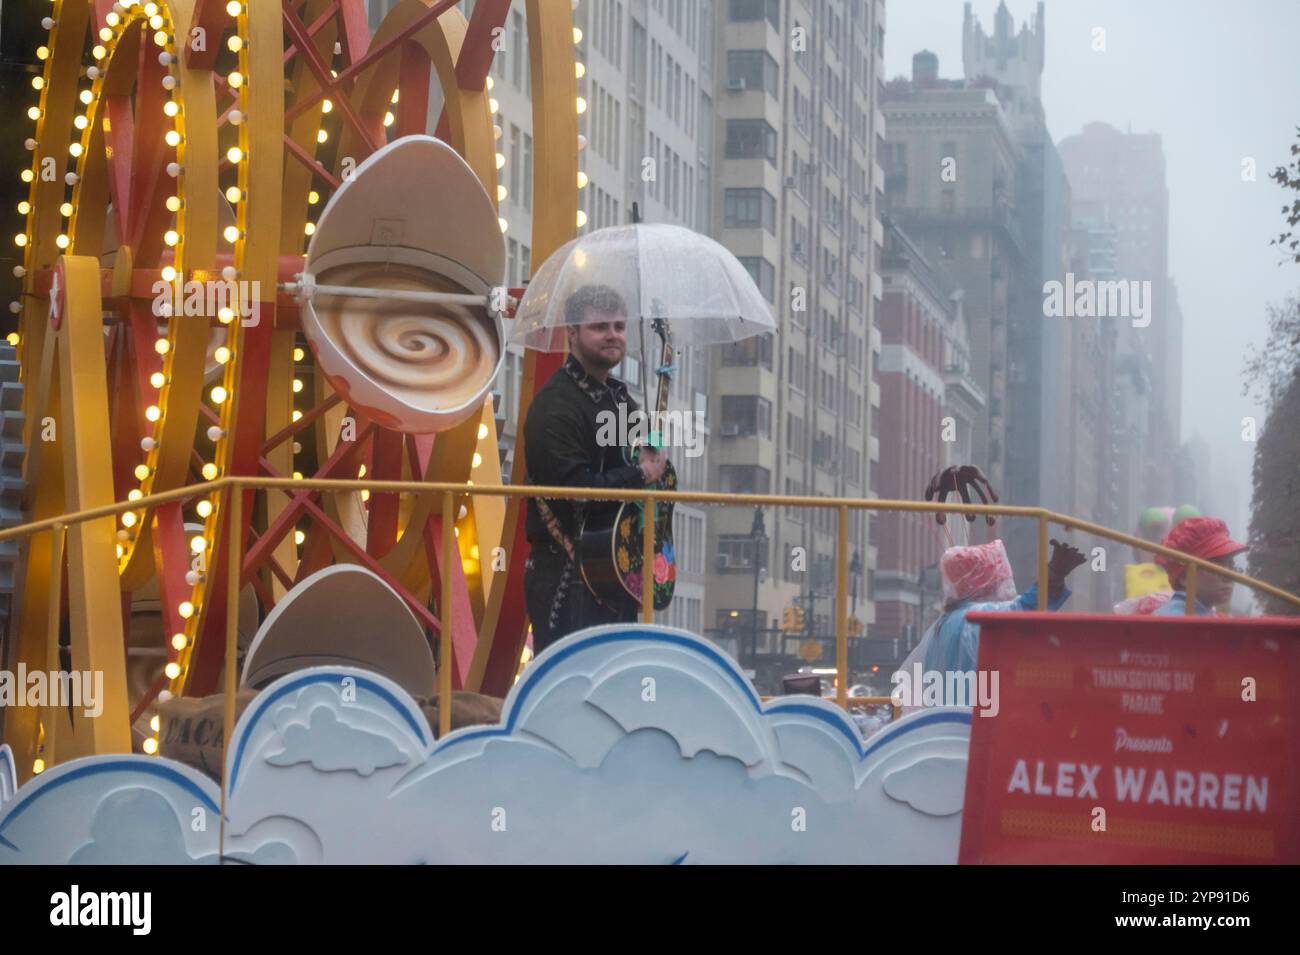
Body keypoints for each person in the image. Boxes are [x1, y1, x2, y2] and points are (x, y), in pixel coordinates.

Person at [522, 284, 669, 653]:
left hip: (616, 572)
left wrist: (653, 451)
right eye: (600, 326)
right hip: (565, 572)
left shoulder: (620, 398)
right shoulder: (555, 405)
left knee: (614, 690)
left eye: (619, 326)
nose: (613, 336)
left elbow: (652, 469)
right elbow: (576, 491)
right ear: (572, 333)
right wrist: (639, 475)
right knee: (568, 688)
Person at [918, 537, 1086, 676]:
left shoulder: (941, 626)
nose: (1004, 588)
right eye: (999, 581)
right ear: (982, 584)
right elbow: (1023, 611)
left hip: (941, 716)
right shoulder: (976, 617)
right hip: (973, 714)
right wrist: (1054, 574)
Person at [1151, 517, 1246, 616]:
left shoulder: (1206, 615)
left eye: (1232, 566)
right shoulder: (1173, 621)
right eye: (1218, 566)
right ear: (1185, 577)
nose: (1229, 576)